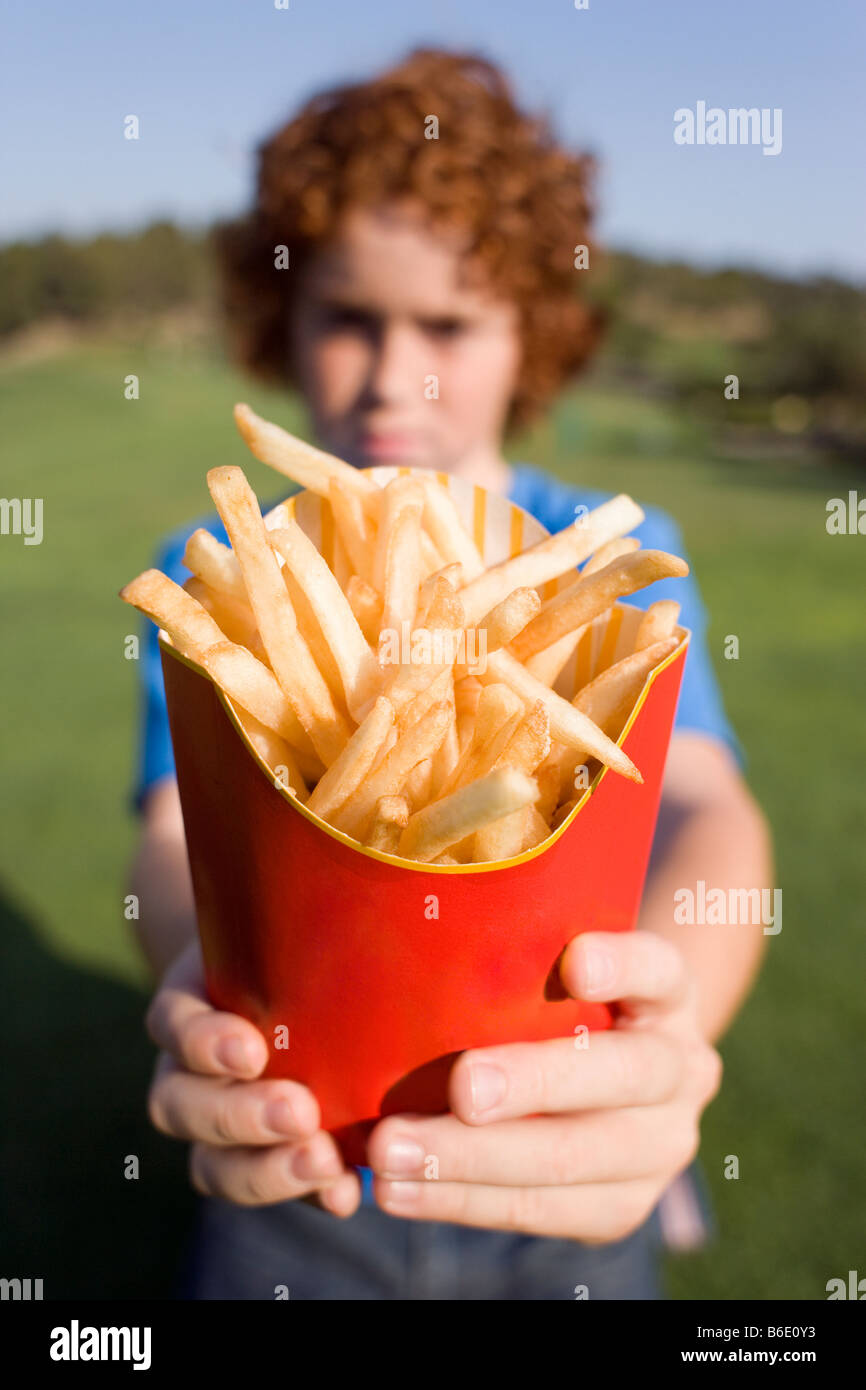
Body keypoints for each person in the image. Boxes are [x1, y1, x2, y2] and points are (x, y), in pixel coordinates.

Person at [130, 48, 772, 1300]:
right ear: (282, 321)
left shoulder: (623, 564)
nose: (392, 374)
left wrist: (665, 1020)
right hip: (303, 1165)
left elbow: (704, 805)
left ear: (532, 330)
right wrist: (196, 976)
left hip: (561, 1163)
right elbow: (173, 828)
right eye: (347, 317)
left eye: (446, 324)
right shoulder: (221, 573)